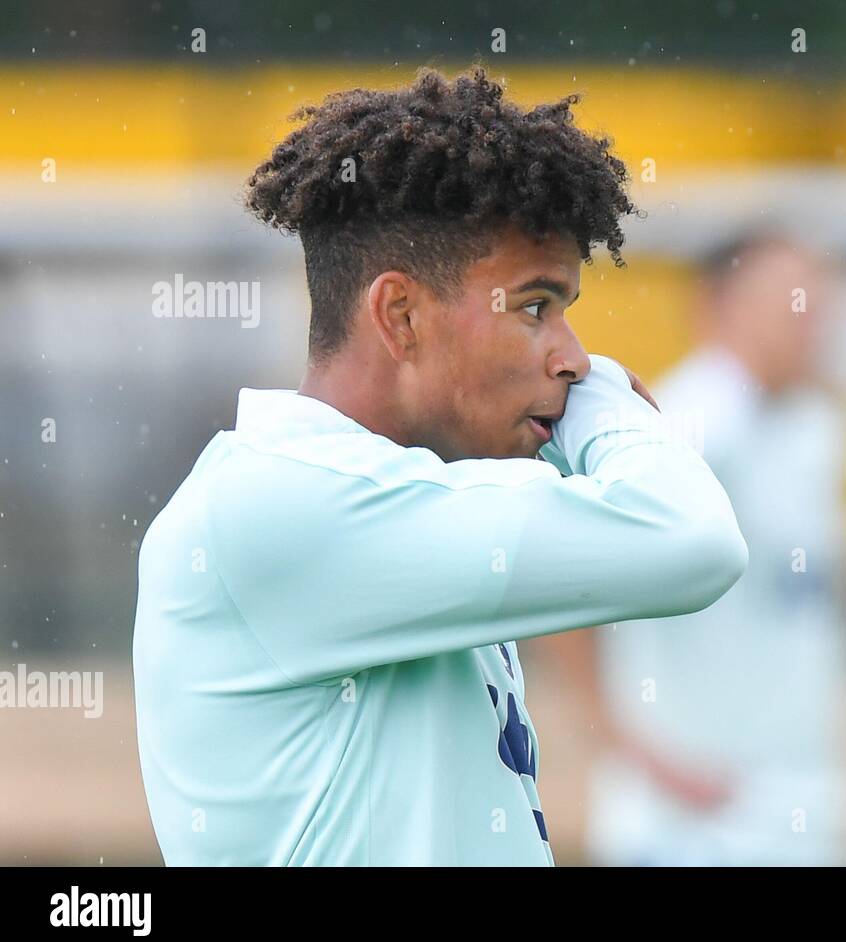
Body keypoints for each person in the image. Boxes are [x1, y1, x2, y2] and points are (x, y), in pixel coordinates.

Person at [131, 67, 748, 866]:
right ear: (401, 314)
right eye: (535, 307)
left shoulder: (405, 497)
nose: (572, 355)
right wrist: (605, 404)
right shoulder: (280, 502)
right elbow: (691, 541)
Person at [548, 232, 846, 865]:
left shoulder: (814, 431)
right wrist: (635, 754)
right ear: (721, 306)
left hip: (796, 811)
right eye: (792, 301)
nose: (813, 320)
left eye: (819, 302)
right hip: (692, 826)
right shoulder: (690, 427)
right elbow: (572, 581)